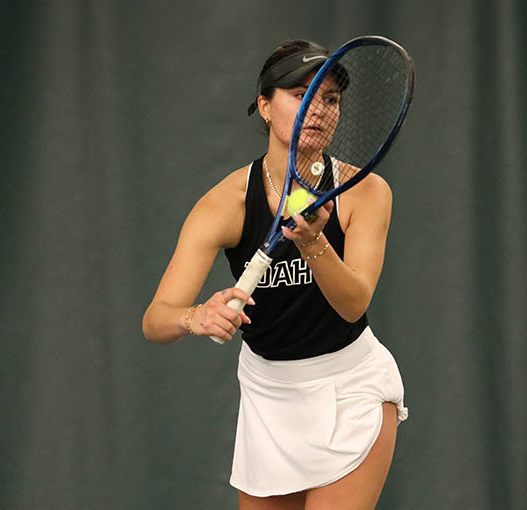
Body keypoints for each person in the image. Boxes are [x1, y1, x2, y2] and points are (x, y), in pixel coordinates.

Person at [142, 39, 408, 509]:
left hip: (350, 388)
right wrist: (195, 317)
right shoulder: (222, 204)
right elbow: (155, 320)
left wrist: (311, 241)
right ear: (265, 106)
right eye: (301, 94)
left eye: (330, 99)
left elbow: (354, 303)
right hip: (269, 396)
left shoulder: (366, 193)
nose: (319, 109)